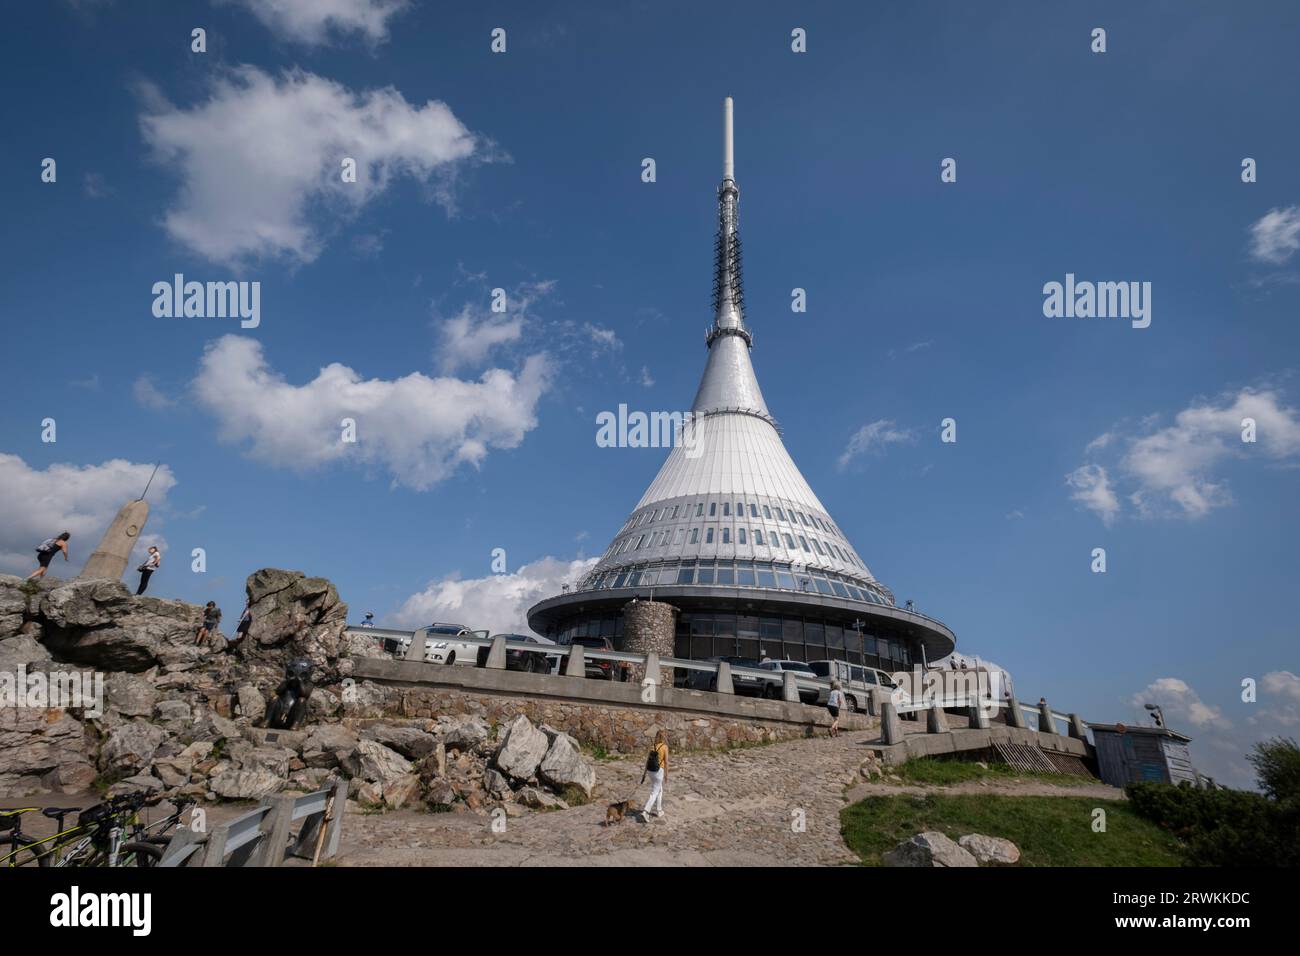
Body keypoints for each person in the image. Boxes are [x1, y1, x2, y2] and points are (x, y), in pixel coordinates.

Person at [640, 730, 669, 821]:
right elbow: (666, 762)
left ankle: (659, 810)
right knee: (655, 792)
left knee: (659, 789)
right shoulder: (664, 747)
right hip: (658, 771)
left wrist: (644, 774)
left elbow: (648, 761)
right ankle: (646, 811)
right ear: (663, 737)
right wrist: (666, 775)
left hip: (650, 771)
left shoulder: (652, 746)